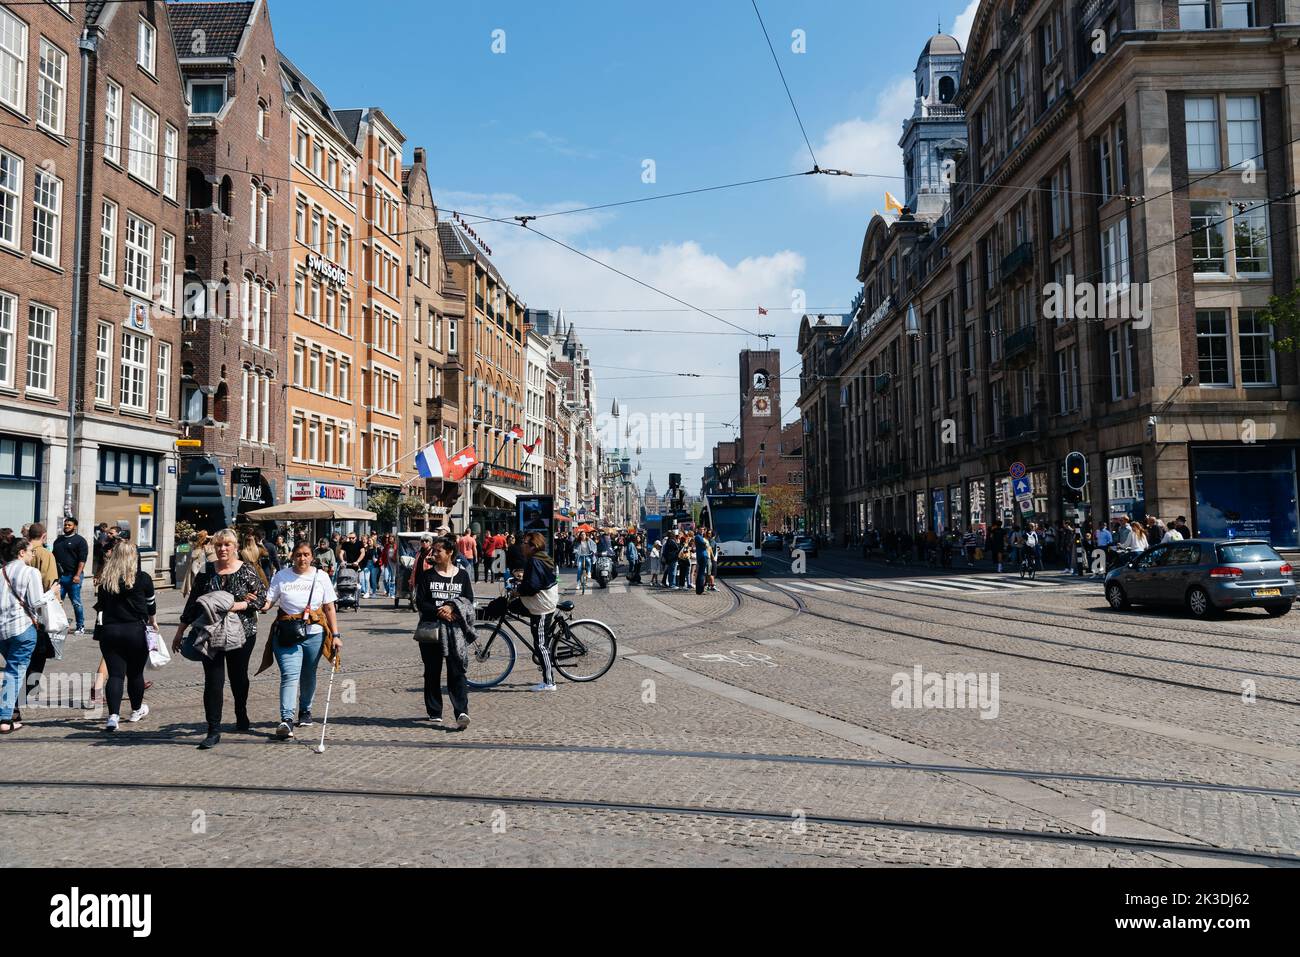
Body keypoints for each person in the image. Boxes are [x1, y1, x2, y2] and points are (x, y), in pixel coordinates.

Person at [172, 529, 267, 750]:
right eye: (218, 545)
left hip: (242, 633)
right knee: (213, 681)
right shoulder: (206, 573)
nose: (222, 549)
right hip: (210, 633)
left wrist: (241, 605)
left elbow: (262, 598)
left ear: (235, 547)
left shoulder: (247, 571)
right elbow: (192, 604)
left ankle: (241, 713)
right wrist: (180, 631)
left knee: (238, 677)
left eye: (227, 545)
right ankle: (213, 729)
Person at [259, 540, 341, 740]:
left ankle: (305, 710)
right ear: (292, 556)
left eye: (306, 554)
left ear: (311, 557)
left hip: (315, 633)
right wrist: (261, 605)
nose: (302, 558)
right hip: (287, 633)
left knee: (308, 674)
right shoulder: (282, 576)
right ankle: (286, 719)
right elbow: (269, 600)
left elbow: (329, 607)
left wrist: (336, 635)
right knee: (289, 674)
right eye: (298, 554)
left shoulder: (321, 577)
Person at [92, 541, 156, 732]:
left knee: (116, 674)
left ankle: (113, 717)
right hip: (135, 630)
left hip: (111, 631)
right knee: (135, 673)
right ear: (135, 556)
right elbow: (151, 606)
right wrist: (153, 621)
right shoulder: (143, 578)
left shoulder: (106, 580)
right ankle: (136, 710)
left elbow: (100, 606)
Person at [413, 536, 474, 728]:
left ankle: (461, 711)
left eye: (438, 550)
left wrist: (452, 608)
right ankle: (434, 710)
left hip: (455, 631)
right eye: (434, 550)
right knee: (432, 671)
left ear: (450, 553)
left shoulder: (462, 576)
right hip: (432, 630)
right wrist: (440, 611)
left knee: (457, 671)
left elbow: (468, 599)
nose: (434, 554)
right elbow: (421, 602)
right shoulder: (427, 576)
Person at [0, 537, 60, 734]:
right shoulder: (30, 572)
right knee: (15, 672)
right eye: (30, 551)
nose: (33, 554)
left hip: (2, 630)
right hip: (23, 628)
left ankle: (11, 712)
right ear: (21, 552)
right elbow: (36, 602)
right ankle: (5, 718)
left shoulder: (0, 572)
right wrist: (51, 592)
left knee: (12, 670)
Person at [511, 531, 560, 692]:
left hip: (541, 606)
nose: (522, 546)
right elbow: (537, 578)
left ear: (533, 546)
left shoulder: (534, 561)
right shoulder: (541, 558)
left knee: (540, 644)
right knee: (540, 640)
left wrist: (518, 591)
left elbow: (532, 587)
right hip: (544, 602)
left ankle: (549, 682)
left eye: (525, 543)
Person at [52, 517, 89, 636]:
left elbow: (82, 560)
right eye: (65, 525)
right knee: (57, 603)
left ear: (75, 526)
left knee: (76, 602)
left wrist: (77, 575)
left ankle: (80, 626)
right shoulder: (58, 541)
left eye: (69, 525)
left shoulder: (80, 541)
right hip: (60, 578)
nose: (67, 526)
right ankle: (60, 625)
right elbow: (54, 558)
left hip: (74, 577)